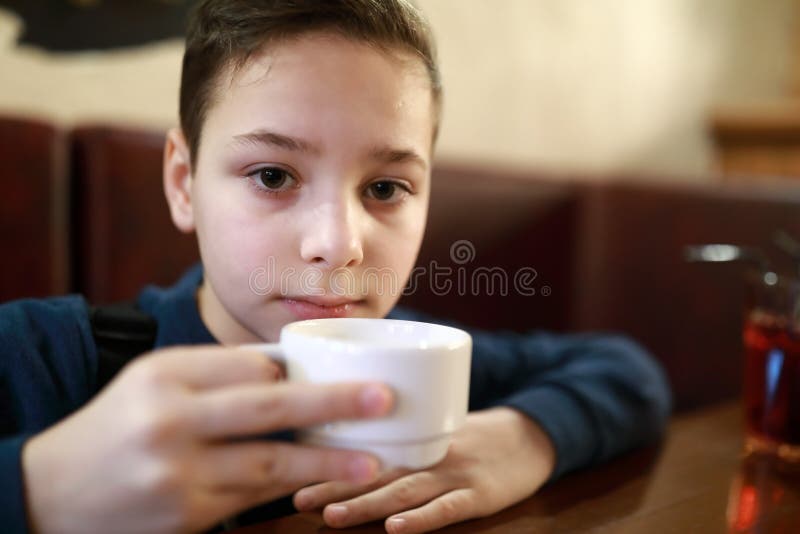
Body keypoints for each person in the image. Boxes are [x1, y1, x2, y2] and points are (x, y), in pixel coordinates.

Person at [0, 1, 671, 533]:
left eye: (385, 189)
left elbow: (628, 372)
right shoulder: (42, 359)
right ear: (183, 182)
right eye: (272, 175)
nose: (338, 243)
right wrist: (36, 492)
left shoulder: (415, 366)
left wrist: (526, 439)